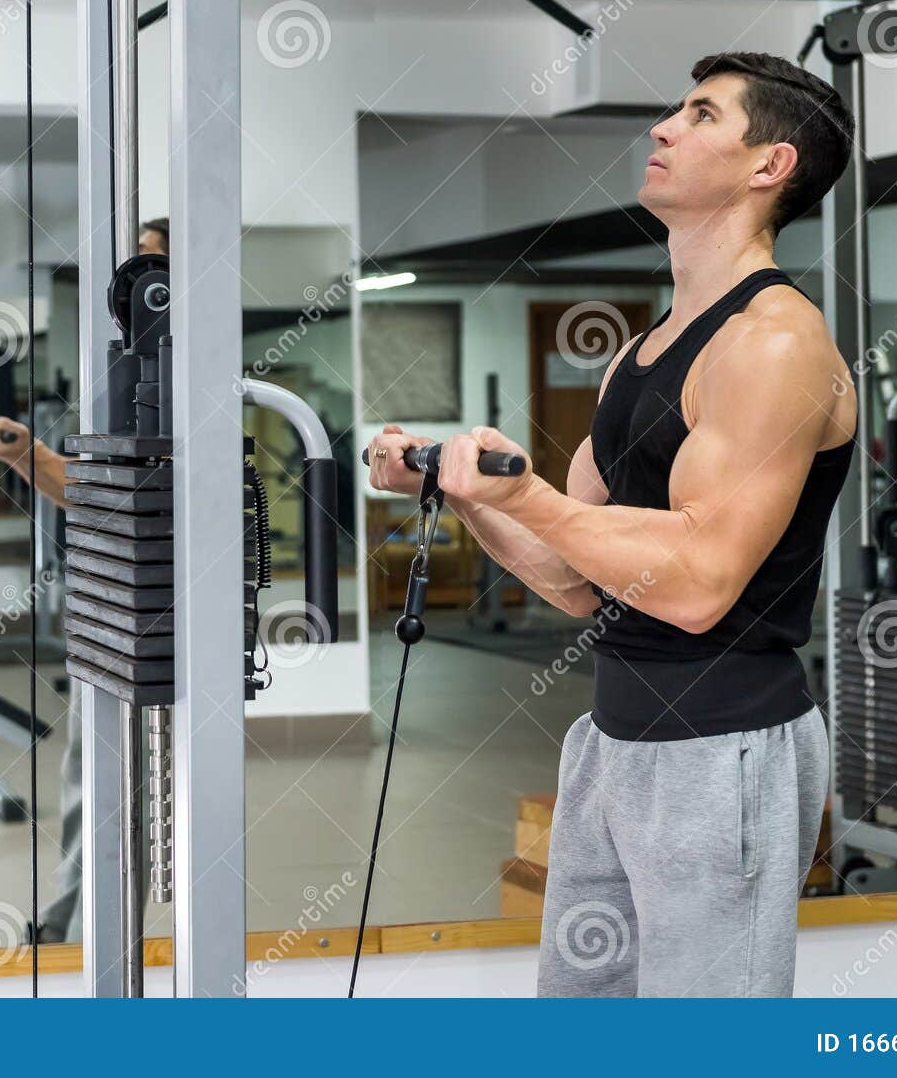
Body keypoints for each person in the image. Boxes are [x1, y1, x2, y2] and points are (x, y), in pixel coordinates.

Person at [366, 52, 858, 997]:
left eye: (702, 115)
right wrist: (458, 488)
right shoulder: (640, 353)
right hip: (610, 740)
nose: (663, 128)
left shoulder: (774, 342)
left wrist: (527, 496)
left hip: (721, 749)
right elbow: (575, 578)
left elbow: (701, 584)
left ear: (770, 165)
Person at [0, 217, 169, 942]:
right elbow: (95, 494)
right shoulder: (120, 375)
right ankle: (71, 921)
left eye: (148, 269)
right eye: (129, 269)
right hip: (110, 606)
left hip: (166, 613)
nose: (131, 285)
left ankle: (113, 937)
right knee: (91, 772)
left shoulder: (192, 378)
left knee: (156, 790)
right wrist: (25, 455)